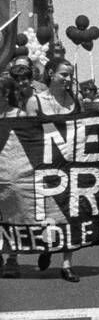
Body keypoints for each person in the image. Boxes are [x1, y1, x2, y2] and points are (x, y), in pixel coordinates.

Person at [25, 57, 84, 282]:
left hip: (72, 164)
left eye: (70, 75)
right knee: (48, 214)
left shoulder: (76, 99)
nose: (68, 79)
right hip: (45, 166)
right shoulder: (34, 101)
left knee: (73, 213)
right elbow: (28, 135)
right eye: (63, 74)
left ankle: (67, 264)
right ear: (51, 73)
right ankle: (48, 246)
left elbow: (84, 128)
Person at [1, 58, 38, 277]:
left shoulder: (20, 116)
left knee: (11, 214)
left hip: (12, 170)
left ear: (6, 93)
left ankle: (12, 257)